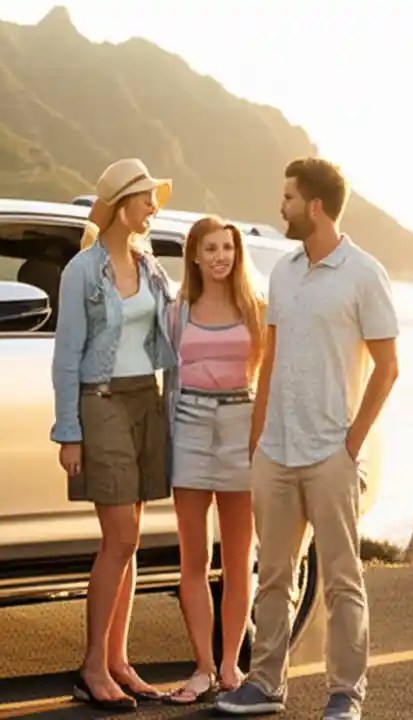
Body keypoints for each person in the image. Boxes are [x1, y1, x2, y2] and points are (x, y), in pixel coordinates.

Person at [214, 158, 400, 720]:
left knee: (343, 581)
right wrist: (257, 438)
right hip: (276, 451)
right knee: (271, 575)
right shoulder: (285, 272)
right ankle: (265, 685)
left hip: (330, 454)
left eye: (289, 198)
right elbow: (269, 359)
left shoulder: (365, 273)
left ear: (315, 206)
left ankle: (346, 694)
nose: (282, 207)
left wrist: (352, 444)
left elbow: (387, 368)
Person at [52, 158, 180, 711]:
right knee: (120, 539)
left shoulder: (152, 267)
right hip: (99, 400)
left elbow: (179, 326)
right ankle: (91, 666)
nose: (154, 208)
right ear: (123, 204)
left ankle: (118, 660)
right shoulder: (82, 270)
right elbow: (65, 357)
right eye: (147, 198)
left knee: (131, 543)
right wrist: (68, 432)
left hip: (144, 401)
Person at [161, 216, 268, 705]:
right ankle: (202, 666)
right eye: (212, 248)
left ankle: (231, 664)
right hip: (190, 424)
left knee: (239, 559)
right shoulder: (178, 310)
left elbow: (269, 378)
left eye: (228, 247)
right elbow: (163, 374)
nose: (221, 256)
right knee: (194, 558)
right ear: (196, 256)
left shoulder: (255, 309)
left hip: (241, 426)